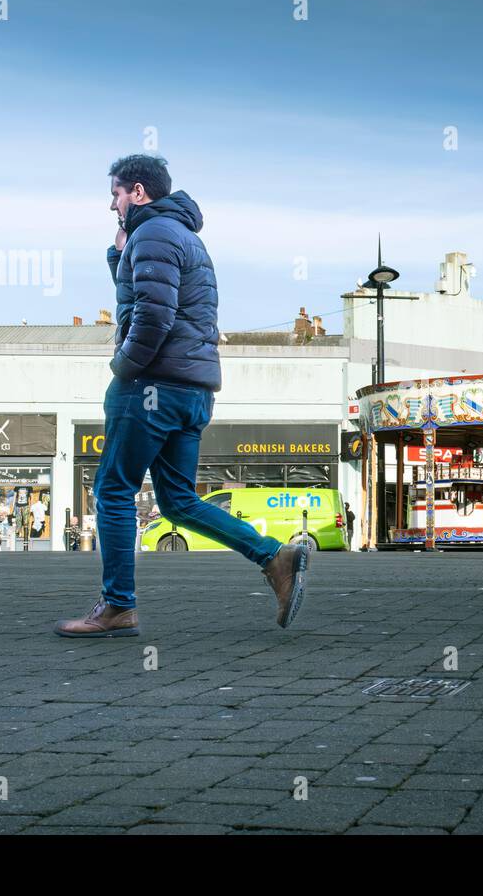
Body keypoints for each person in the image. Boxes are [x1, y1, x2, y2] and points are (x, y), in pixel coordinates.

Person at [56, 154, 307, 638]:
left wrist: (124, 367)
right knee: (177, 502)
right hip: (191, 390)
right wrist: (118, 257)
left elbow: (153, 315)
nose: (112, 205)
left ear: (138, 192)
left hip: (150, 386)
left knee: (112, 490)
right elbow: (147, 296)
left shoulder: (153, 234)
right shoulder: (183, 236)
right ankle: (275, 556)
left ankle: (118, 606)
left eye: (116, 194)